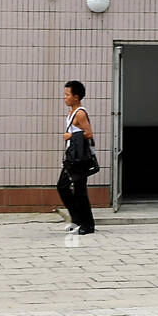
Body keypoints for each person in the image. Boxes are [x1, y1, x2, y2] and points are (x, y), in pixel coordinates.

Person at [57, 80, 95, 235]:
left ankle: (86, 224)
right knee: (66, 188)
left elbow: (89, 133)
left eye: (67, 94)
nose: (65, 97)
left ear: (76, 97)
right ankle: (80, 220)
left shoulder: (80, 113)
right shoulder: (71, 112)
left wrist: (70, 135)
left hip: (79, 159)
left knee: (75, 190)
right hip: (72, 157)